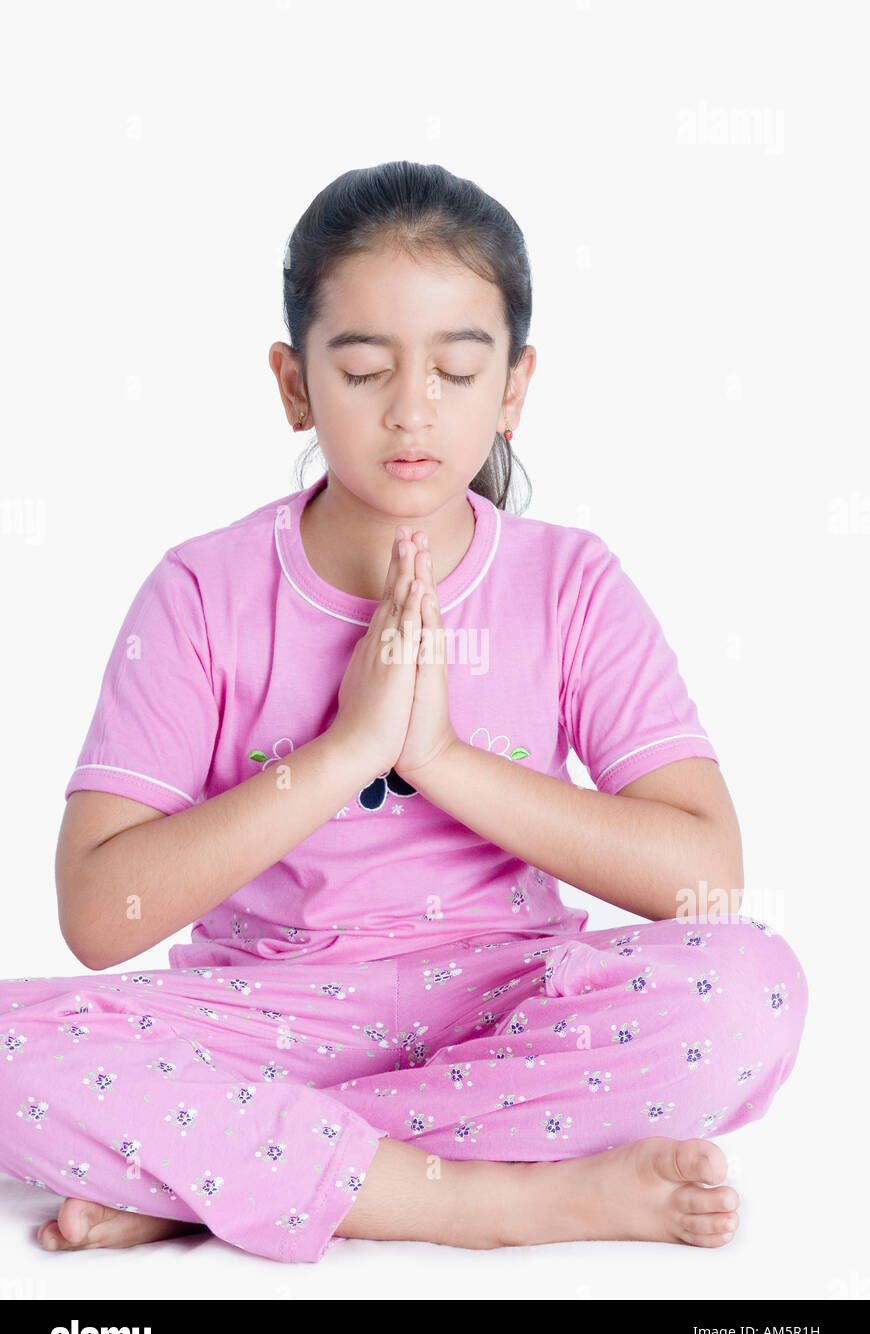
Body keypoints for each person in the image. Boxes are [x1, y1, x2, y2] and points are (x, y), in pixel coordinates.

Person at [0, 161, 807, 1264]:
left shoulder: (570, 582)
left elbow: (703, 874)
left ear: (514, 387)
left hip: (506, 1007)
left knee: (750, 994)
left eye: (459, 369)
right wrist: (345, 752)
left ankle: (226, 1178)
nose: (413, 410)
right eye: (367, 368)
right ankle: (497, 1200)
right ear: (295, 384)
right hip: (271, 1019)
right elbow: (98, 913)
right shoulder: (201, 590)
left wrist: (436, 755)